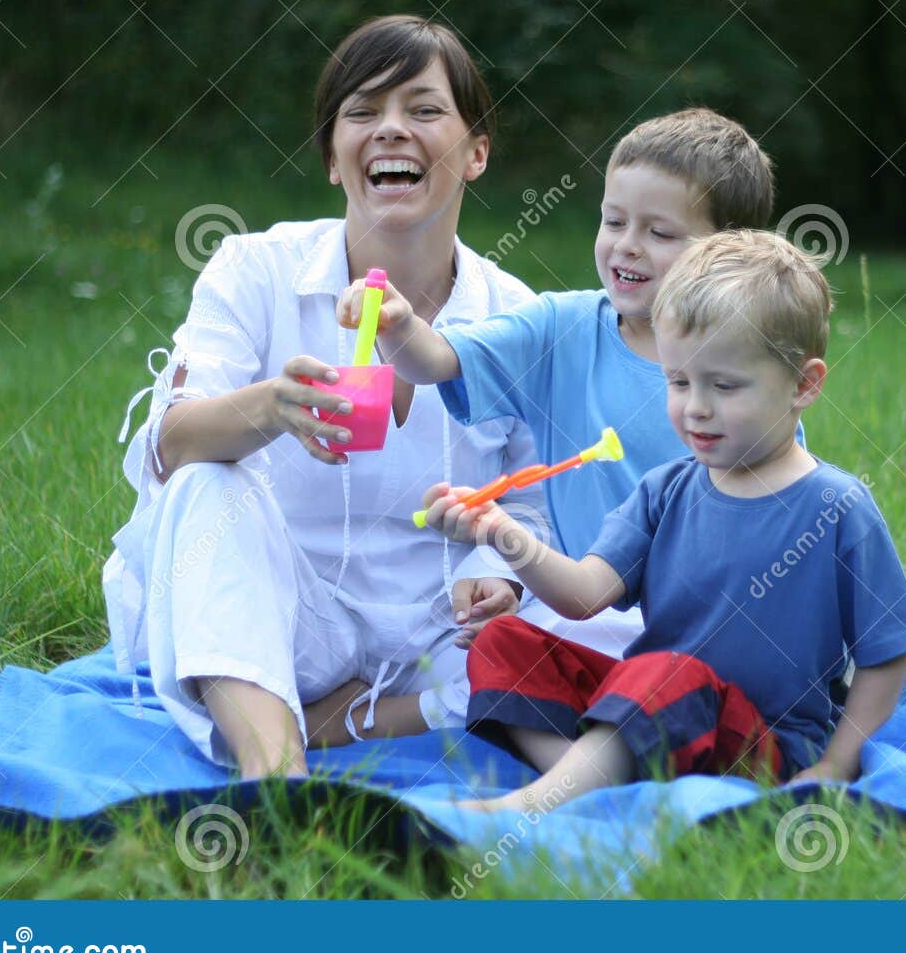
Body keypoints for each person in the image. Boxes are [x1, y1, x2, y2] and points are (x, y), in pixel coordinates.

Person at [103, 15, 542, 778]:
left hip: (442, 642)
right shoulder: (255, 270)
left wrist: (500, 574)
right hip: (281, 624)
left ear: (476, 153)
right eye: (362, 111)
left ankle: (339, 722)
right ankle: (277, 775)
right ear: (334, 159)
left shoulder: (518, 317)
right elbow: (170, 445)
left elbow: (539, 497)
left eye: (423, 108)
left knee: (603, 616)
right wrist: (271, 407)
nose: (390, 129)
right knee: (209, 477)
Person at [421, 230, 906, 814]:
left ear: (804, 385)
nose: (696, 408)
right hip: (642, 703)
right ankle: (592, 780)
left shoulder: (837, 507)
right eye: (679, 381)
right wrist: (505, 537)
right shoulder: (666, 489)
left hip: (756, 741)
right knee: (502, 642)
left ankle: (539, 804)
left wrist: (834, 765)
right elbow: (586, 595)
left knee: (665, 674)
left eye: (725, 386)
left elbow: (886, 656)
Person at [335, 108, 782, 656]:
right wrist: (400, 324)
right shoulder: (559, 327)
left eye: (659, 232)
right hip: (579, 608)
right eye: (614, 221)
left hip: (713, 618)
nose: (627, 246)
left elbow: (781, 505)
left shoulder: (748, 361)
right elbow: (432, 362)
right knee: (498, 660)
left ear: (730, 249)